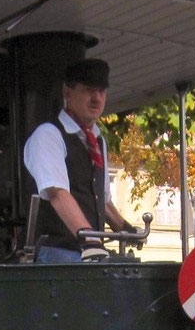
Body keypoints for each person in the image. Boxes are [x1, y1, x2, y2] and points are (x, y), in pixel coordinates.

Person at [22, 57, 135, 262]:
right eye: (88, 90)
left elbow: (102, 200)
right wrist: (91, 241)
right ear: (67, 93)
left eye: (101, 91)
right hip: (54, 252)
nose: (97, 98)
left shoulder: (98, 141)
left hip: (86, 253)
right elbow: (57, 193)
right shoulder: (49, 135)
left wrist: (126, 230)